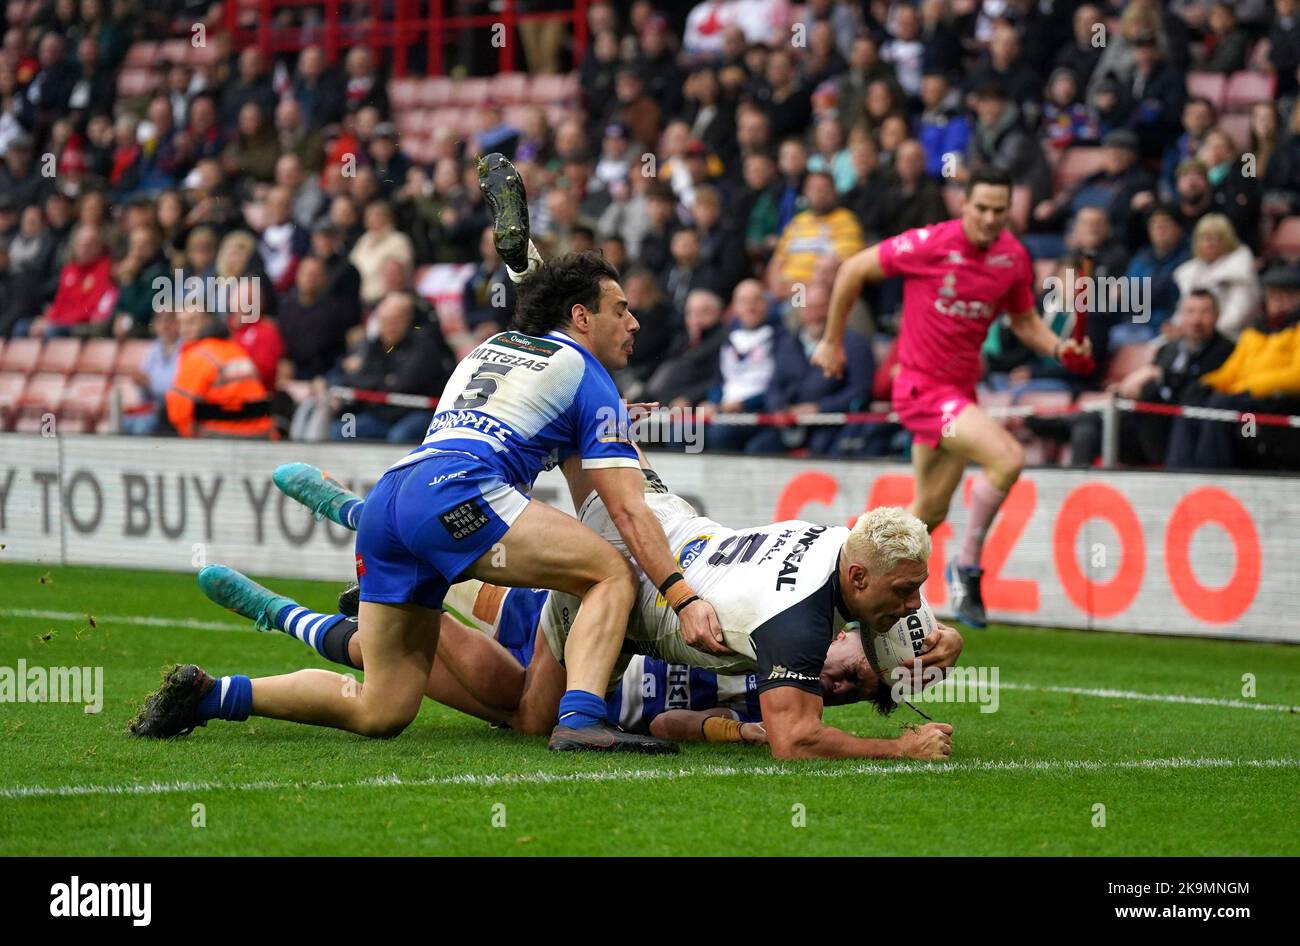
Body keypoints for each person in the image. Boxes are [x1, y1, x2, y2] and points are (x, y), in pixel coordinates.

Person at [130, 154, 725, 754]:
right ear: (580, 317)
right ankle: (581, 719)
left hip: (394, 495)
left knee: (381, 708)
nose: (635, 322)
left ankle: (216, 695)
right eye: (620, 309)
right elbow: (625, 510)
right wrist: (681, 594)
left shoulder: (493, 346)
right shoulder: (588, 376)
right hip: (461, 492)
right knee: (609, 572)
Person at [195, 453, 962, 760]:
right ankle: (364, 531)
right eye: (853, 676)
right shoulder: (797, 630)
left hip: (651, 576)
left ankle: (310, 617)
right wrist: (906, 713)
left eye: (857, 692)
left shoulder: (826, 588)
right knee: (486, 605)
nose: (849, 688)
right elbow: (812, 721)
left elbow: (675, 721)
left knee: (495, 684)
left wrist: (926, 652)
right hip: (620, 609)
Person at [811, 166, 1095, 628]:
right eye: (980, 208)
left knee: (925, 515)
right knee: (1007, 458)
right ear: (963, 204)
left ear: (1009, 210)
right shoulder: (928, 243)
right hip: (922, 390)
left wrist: (1061, 348)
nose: (988, 218)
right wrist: (832, 340)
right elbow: (853, 269)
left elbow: (1024, 323)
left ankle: (835, 573)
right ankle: (967, 569)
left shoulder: (1013, 257)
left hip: (959, 393)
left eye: (998, 211)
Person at [1070, 289, 1233, 467]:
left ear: (1217, 317)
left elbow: (1195, 391)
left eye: (1204, 312)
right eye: (1190, 312)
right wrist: (1124, 391)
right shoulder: (1169, 348)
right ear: (1181, 316)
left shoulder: (1225, 352)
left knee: (1148, 394)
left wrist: (1159, 375)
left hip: (1179, 433)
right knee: (1088, 424)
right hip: (1144, 425)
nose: (1196, 320)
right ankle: (1078, 482)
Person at [1165, 265, 1300, 470]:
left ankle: (1210, 473)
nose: (1278, 300)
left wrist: (1252, 386)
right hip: (1243, 398)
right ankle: (1178, 469)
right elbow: (1230, 372)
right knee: (1194, 398)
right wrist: (1207, 383)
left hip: (1273, 408)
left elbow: (1296, 376)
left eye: (1286, 294)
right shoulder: (1255, 332)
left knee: (1222, 405)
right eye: (1273, 294)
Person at [164, 305, 273, 439]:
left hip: (222, 435)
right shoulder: (235, 350)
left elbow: (179, 408)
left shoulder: (197, 355)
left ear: (208, 321)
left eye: (191, 322)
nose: (184, 329)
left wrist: (190, 443)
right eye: (180, 323)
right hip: (262, 433)